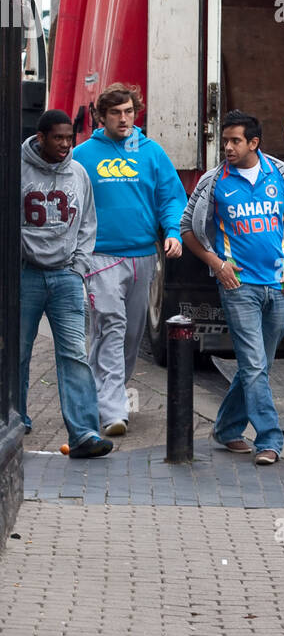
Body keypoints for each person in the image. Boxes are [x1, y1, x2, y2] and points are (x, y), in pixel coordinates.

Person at [181, 109, 284, 464]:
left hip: (279, 286)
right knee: (254, 366)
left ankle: (226, 428)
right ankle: (269, 440)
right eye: (225, 140)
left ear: (254, 143)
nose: (227, 147)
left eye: (235, 141)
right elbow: (188, 229)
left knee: (258, 366)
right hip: (239, 288)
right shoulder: (213, 181)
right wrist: (217, 264)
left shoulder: (281, 174)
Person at [73, 83, 187, 437]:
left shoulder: (151, 152)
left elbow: (171, 197)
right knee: (112, 325)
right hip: (100, 256)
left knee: (130, 334)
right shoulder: (82, 155)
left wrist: (172, 231)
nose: (123, 119)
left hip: (142, 256)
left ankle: (94, 397)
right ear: (101, 117)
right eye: (115, 113)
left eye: (128, 112)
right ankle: (113, 410)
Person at [20, 110, 112, 458]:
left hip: (67, 277)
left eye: (68, 138)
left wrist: (79, 268)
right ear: (40, 137)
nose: (64, 144)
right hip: (26, 274)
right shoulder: (17, 167)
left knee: (75, 354)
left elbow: (88, 222)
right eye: (57, 138)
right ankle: (15, 417)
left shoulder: (78, 173)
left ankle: (84, 433)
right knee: (17, 351)